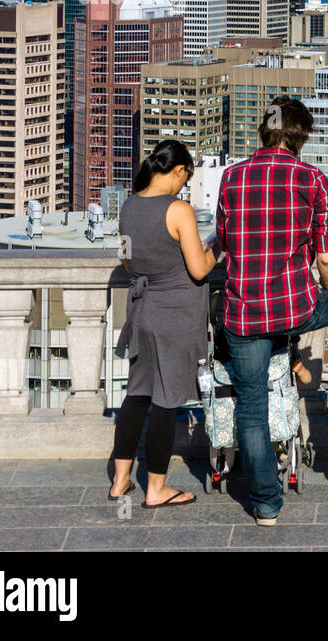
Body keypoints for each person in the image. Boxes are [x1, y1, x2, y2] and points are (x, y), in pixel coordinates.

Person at [216, 96, 328, 526]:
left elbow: (224, 241)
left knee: (251, 406)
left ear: (263, 131)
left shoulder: (231, 178)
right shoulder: (312, 180)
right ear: (300, 136)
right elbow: (327, 260)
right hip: (293, 308)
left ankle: (266, 504)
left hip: (244, 312)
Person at [109, 139, 217, 507]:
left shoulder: (128, 207)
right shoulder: (179, 210)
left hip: (142, 310)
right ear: (178, 170)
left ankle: (120, 481)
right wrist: (217, 245)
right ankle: (156, 489)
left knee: (136, 397)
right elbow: (199, 268)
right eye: (185, 178)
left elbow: (127, 263)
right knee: (167, 401)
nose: (184, 185)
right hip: (176, 315)